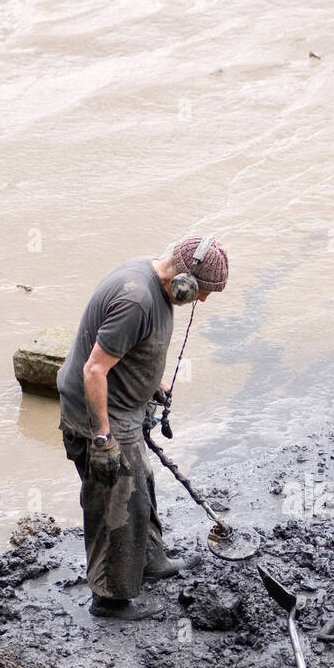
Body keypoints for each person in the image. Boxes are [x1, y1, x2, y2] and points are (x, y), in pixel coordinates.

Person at [57, 233, 228, 621]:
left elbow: (133, 351)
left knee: (141, 485)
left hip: (125, 409)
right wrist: (102, 437)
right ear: (186, 282)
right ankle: (110, 599)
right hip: (100, 415)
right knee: (116, 502)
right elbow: (94, 368)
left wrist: (155, 386)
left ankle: (150, 558)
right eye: (204, 293)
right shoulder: (137, 300)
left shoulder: (155, 286)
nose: (202, 301)